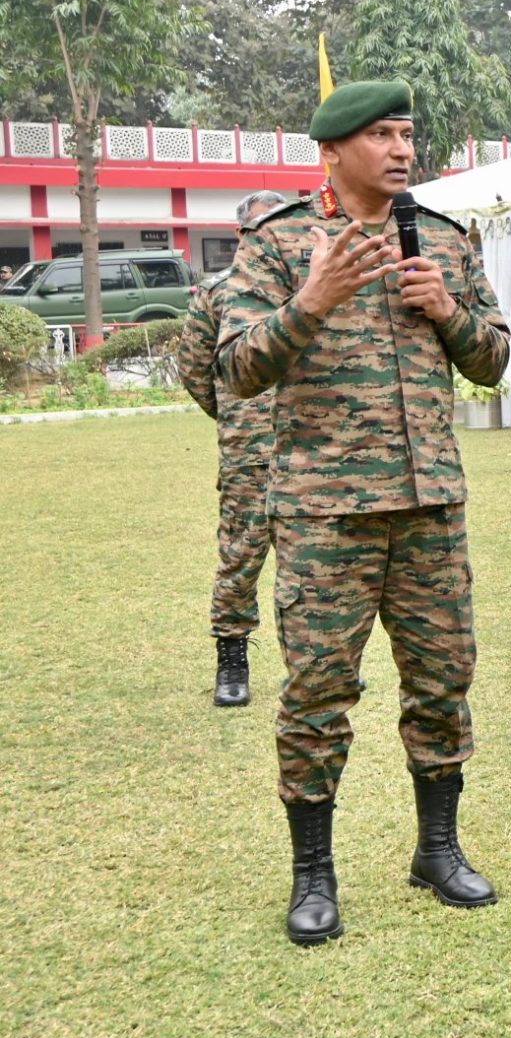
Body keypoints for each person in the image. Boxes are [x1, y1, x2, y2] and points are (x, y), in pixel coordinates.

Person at [216, 79, 511, 945]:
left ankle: (438, 850)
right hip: (323, 517)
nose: (401, 150)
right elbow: (234, 368)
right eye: (381, 134)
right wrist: (311, 301)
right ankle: (314, 875)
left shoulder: (447, 242)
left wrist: (448, 311)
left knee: (443, 683)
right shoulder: (278, 246)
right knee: (316, 694)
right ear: (334, 150)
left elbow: (495, 362)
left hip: (429, 508)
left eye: (408, 134)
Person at [175, 189, 284, 707]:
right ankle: (231, 658)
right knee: (240, 556)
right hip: (248, 453)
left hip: (313, 448)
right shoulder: (217, 292)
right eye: (261, 226)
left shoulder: (308, 286)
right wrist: (233, 418)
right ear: (241, 234)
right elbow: (195, 370)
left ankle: (316, 663)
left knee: (316, 563)